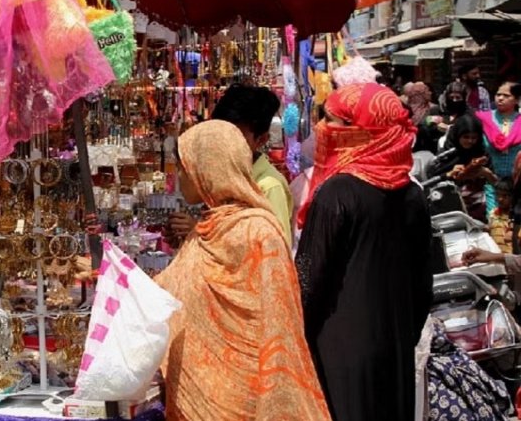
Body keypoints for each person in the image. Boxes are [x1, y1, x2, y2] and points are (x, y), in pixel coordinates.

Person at [156, 120, 330, 421]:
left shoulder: (259, 232)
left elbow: (279, 321)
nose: (180, 177)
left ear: (208, 168)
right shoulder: (209, 229)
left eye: (184, 167)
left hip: (248, 395)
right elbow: (167, 293)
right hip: (201, 393)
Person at [295, 83, 433, 421]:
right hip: (395, 345)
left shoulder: (338, 193)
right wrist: (400, 334)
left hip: (339, 349)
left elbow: (307, 281)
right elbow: (422, 286)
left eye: (334, 122)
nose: (323, 129)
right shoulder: (411, 194)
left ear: (363, 132)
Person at [167, 84, 293, 245]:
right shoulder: (222, 177)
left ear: (261, 140)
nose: (224, 141)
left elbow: (274, 253)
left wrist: (200, 232)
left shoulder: (269, 186)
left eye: (236, 136)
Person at [426, 114, 496, 221]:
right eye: (466, 137)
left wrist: (486, 173)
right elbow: (433, 180)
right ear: (457, 135)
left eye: (474, 138)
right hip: (449, 207)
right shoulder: (447, 154)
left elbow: (496, 183)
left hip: (479, 208)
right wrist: (450, 173)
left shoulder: (482, 154)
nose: (470, 141)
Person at [476, 81, 521, 212]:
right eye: (498, 94)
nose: (500, 98)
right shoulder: (484, 120)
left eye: (506, 96)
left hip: (517, 183)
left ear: (517, 100)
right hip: (492, 181)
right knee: (495, 223)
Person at [489, 178, 514, 253]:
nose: (500, 199)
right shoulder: (493, 213)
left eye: (505, 196)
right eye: (497, 194)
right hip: (496, 257)